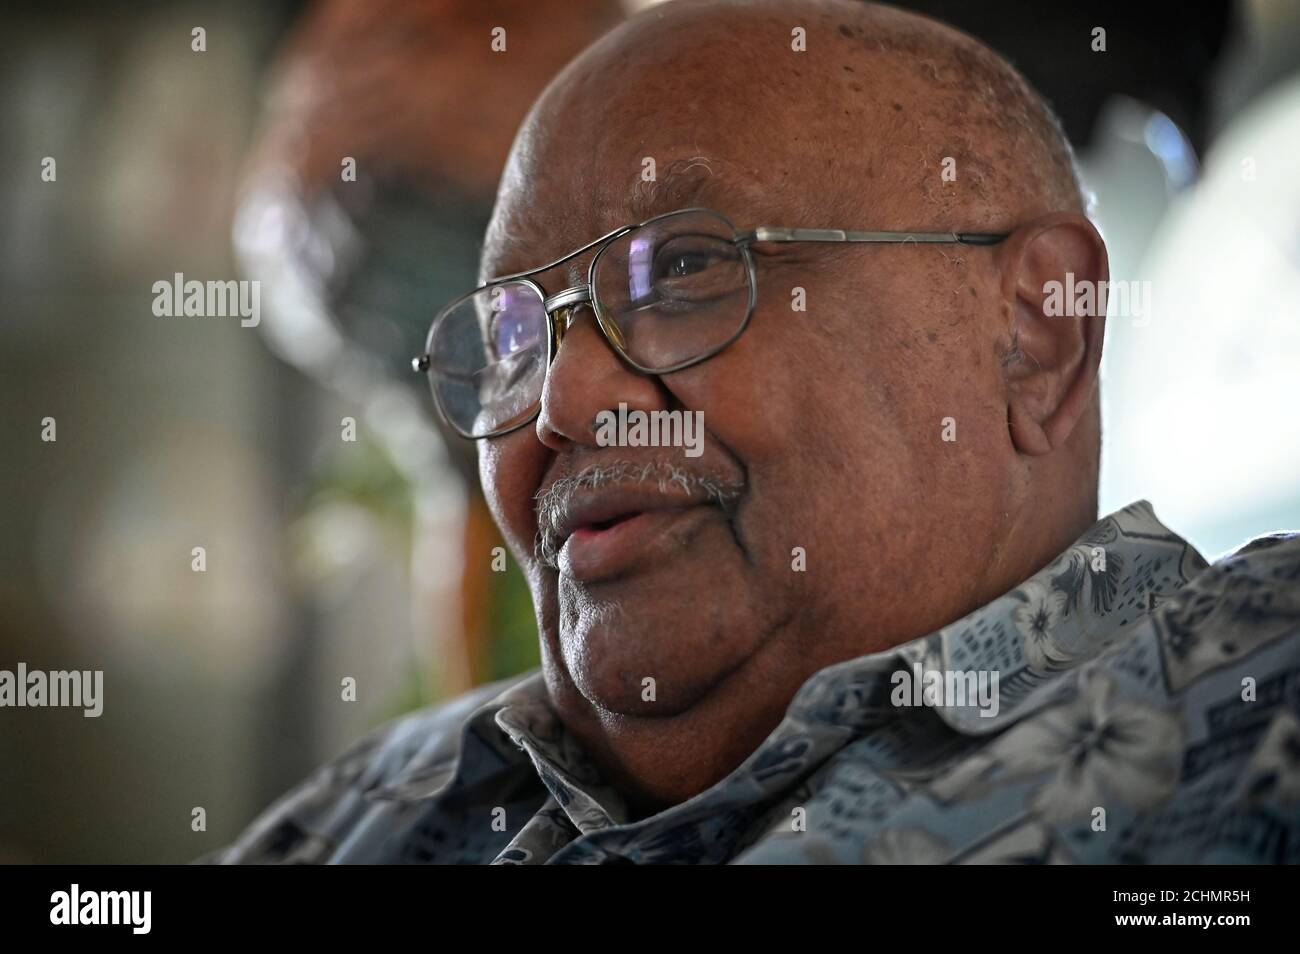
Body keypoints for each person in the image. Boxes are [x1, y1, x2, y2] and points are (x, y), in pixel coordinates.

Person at [206, 0, 1300, 864]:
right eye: (513, 336)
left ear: (1030, 335)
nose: (563, 404)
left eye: (683, 269)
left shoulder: (1251, 714)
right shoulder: (379, 808)